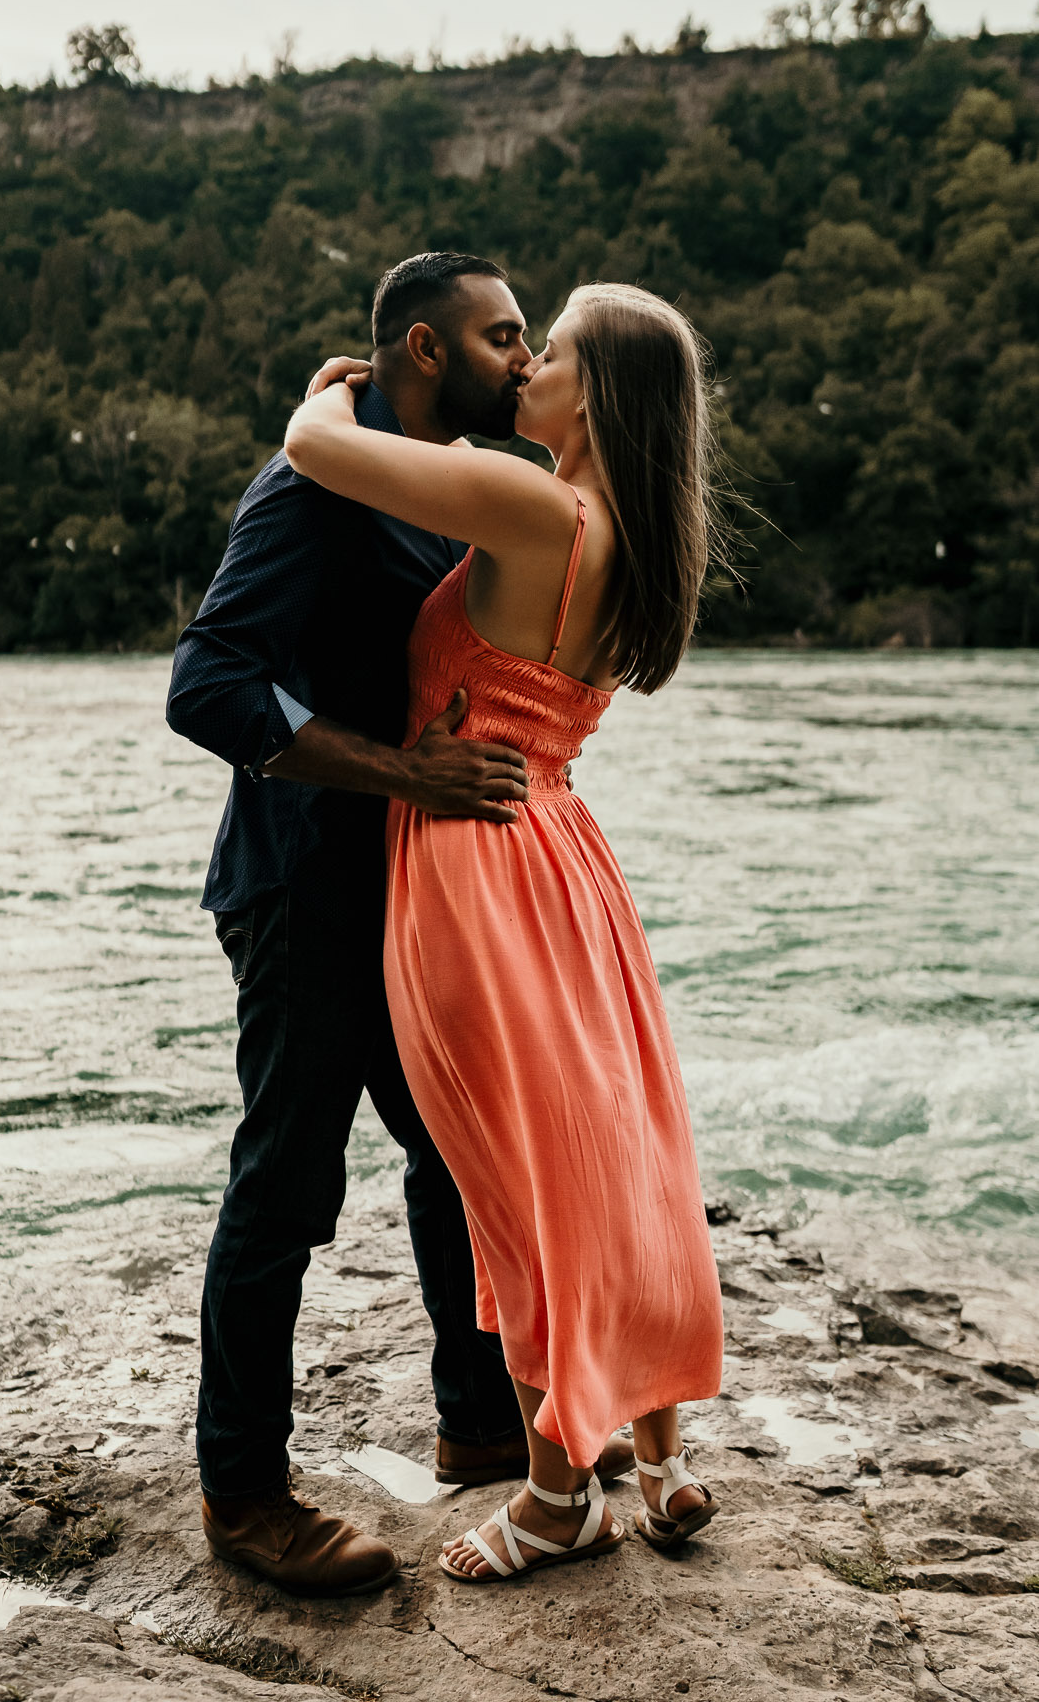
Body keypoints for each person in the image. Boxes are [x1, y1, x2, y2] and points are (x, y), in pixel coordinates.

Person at [166, 253, 635, 1598]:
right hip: (303, 882)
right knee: (287, 1184)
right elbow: (206, 685)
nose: (525, 357)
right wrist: (402, 773)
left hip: (419, 890)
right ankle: (244, 1495)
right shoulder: (311, 480)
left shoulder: (452, 495)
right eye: (502, 338)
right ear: (425, 353)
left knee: (461, 1155)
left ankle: (483, 1422)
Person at [284, 280, 726, 1586]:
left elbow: (318, 455)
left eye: (553, 350)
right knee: (610, 1146)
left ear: (590, 396)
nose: (525, 363)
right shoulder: (629, 529)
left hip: (478, 861)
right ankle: (655, 1454)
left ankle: (555, 1496)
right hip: (564, 849)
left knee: (516, 1174)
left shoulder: (535, 505)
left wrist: (332, 394)